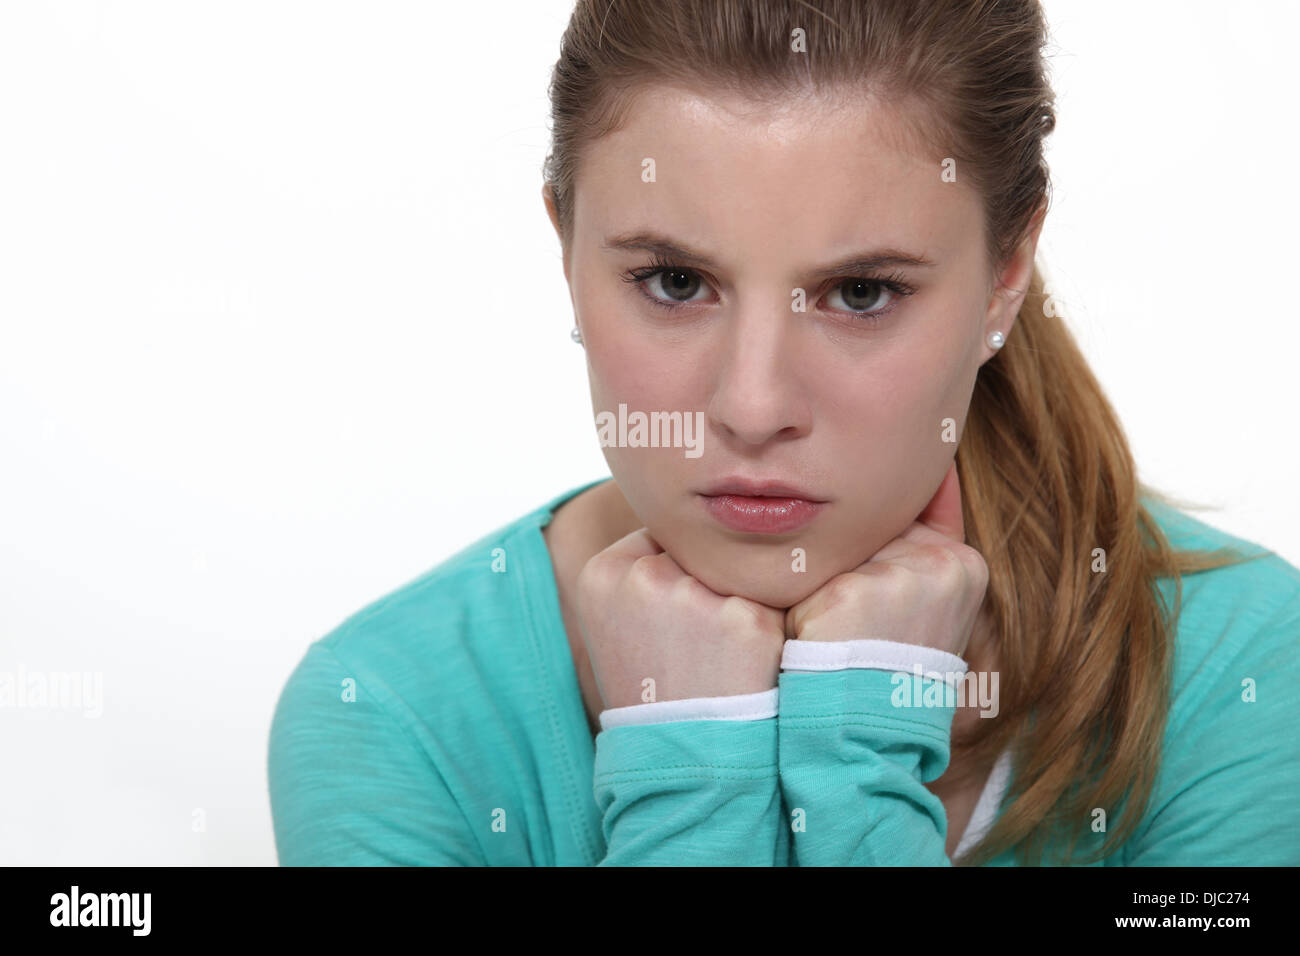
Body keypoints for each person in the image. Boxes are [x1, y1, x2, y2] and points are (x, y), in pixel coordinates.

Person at [267, 0, 1300, 866]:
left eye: (859, 292)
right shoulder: (394, 719)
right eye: (672, 282)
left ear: (1005, 274)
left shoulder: (1236, 668)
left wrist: (853, 742)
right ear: (565, 251)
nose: (753, 405)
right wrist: (693, 760)